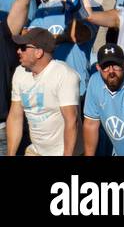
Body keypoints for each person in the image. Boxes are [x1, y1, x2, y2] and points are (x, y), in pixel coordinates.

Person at [7, 27, 79, 157]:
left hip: (63, 152)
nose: (18, 51)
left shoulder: (64, 74)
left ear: (38, 52)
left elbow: (71, 121)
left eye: (23, 47)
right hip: (36, 151)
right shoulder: (20, 72)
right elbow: (15, 117)